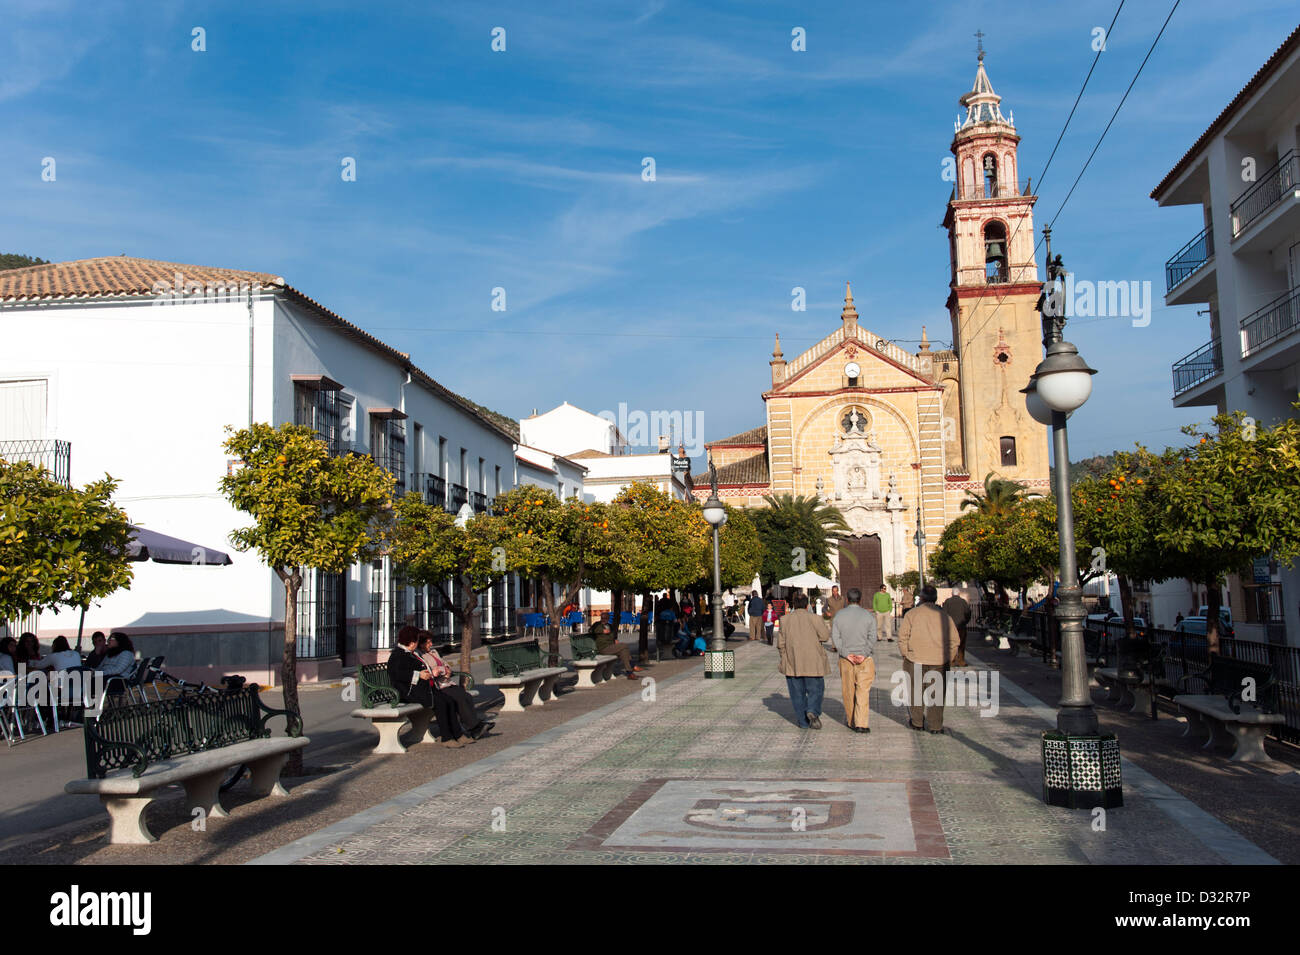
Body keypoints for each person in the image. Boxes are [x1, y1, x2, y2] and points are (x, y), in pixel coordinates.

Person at [388, 627, 474, 748]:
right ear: (411, 642)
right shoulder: (398, 654)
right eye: (417, 640)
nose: (417, 643)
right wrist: (419, 675)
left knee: (449, 700)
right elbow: (397, 674)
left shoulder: (410, 653)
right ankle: (447, 737)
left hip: (422, 689)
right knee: (440, 704)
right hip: (408, 692)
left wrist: (426, 674)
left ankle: (458, 734)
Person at [898, 585, 961, 734]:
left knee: (915, 693)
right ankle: (935, 726)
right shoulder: (945, 616)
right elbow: (955, 641)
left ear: (922, 598)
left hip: (915, 659)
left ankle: (917, 722)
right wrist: (948, 658)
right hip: (939, 661)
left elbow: (902, 637)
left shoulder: (912, 614)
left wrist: (906, 654)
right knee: (937, 695)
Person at [415, 630, 494, 741]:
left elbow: (444, 663)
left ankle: (474, 727)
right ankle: (475, 727)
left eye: (431, 642)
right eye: (428, 642)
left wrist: (446, 669)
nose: (431, 644)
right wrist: (442, 670)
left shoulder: (433, 652)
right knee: (459, 698)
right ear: (421, 644)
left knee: (466, 696)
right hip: (438, 686)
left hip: (446, 682)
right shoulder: (420, 655)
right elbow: (431, 671)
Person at [777, 592, 831, 729]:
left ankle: (802, 722)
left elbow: (780, 643)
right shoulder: (815, 619)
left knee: (797, 693)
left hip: (793, 661)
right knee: (816, 689)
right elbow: (825, 636)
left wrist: (784, 656)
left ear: (793, 605)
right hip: (813, 661)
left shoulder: (785, 619)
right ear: (807, 605)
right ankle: (812, 710)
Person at [829, 587, 877, 733]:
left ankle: (851, 721)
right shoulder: (869, 616)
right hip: (865, 659)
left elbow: (835, 637)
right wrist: (863, 653)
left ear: (847, 600)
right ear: (860, 600)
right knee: (863, 691)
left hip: (846, 659)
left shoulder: (839, 616)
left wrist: (846, 653)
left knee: (848, 691)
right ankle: (862, 723)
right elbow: (872, 637)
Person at [942, 589, 972, 667]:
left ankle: (952, 660)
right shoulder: (963, 602)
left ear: (952, 594)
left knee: (951, 643)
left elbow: (944, 613)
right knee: (961, 644)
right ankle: (961, 661)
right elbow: (968, 613)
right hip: (961, 626)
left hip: (951, 626)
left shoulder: (947, 602)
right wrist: (965, 621)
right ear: (958, 594)